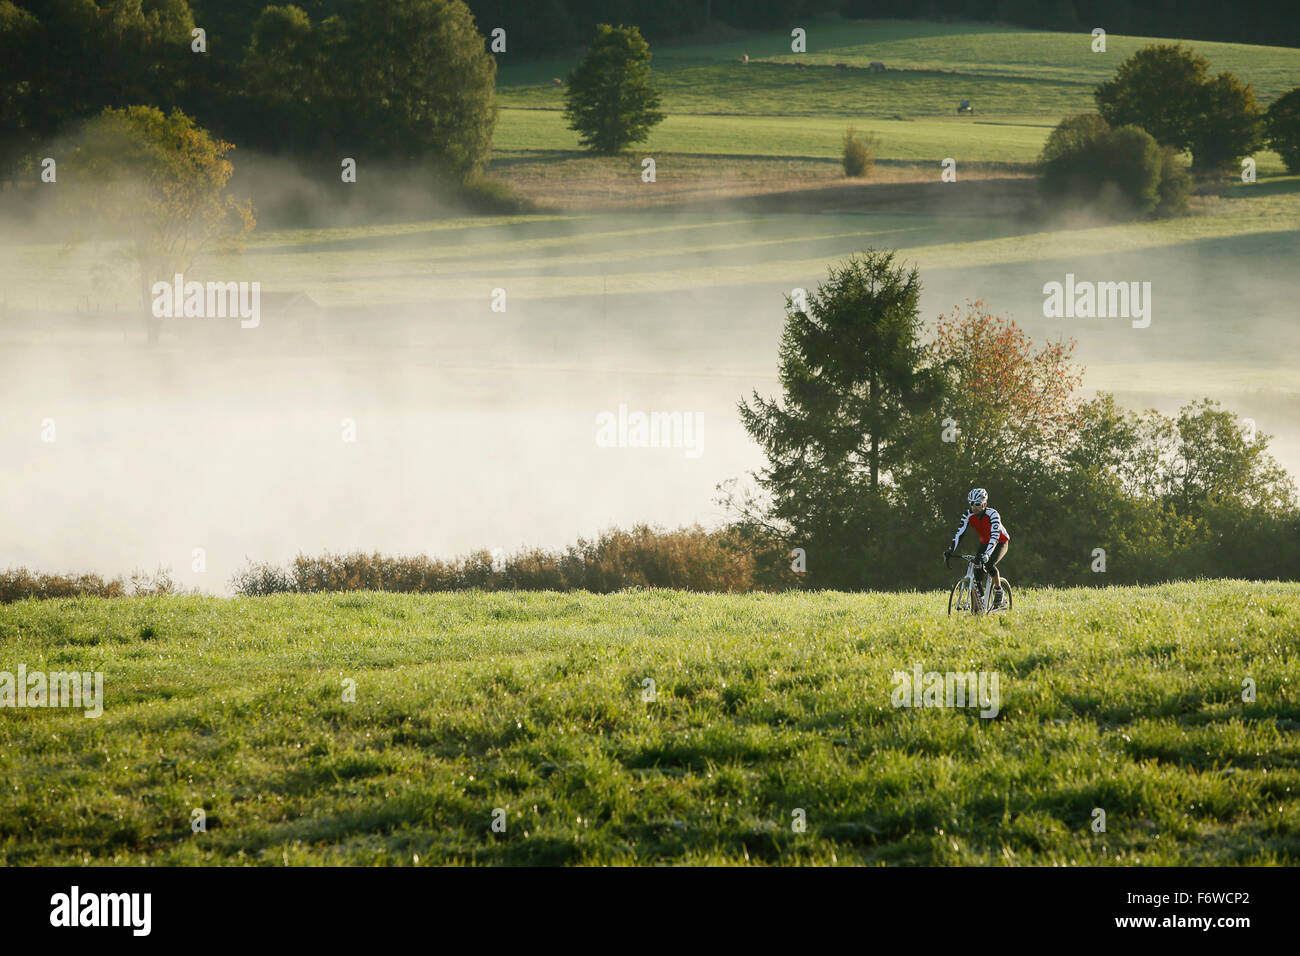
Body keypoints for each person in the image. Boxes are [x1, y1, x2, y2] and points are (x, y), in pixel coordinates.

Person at [944, 487, 1010, 609]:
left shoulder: (993, 514)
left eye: (977, 504)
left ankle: (999, 589)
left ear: (985, 504)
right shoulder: (968, 514)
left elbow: (995, 536)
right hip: (985, 541)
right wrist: (950, 550)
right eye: (971, 504)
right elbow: (959, 533)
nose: (974, 507)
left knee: (989, 564)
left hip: (1000, 541)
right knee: (977, 565)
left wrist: (987, 554)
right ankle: (979, 596)